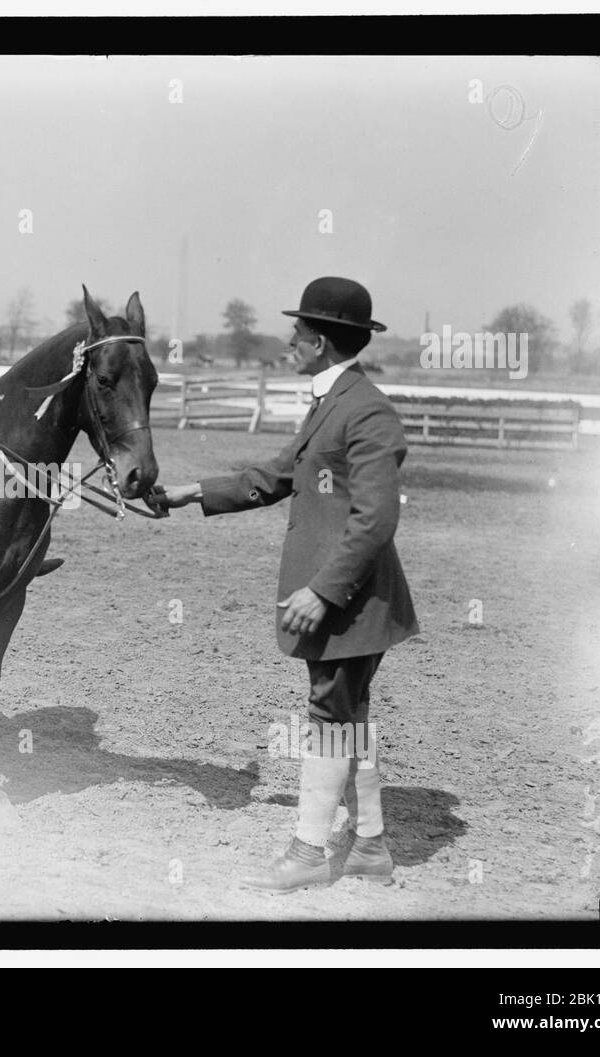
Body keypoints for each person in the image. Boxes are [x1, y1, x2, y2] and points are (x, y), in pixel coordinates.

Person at [149, 277, 418, 893]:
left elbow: (376, 517)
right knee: (349, 715)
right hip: (349, 597)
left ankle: (307, 854)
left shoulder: (366, 409)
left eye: (296, 334)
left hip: (349, 600)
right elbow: (278, 476)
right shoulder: (335, 399)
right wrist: (193, 492)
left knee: (329, 714)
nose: (288, 343)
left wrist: (323, 590)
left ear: (319, 342)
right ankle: (371, 849)